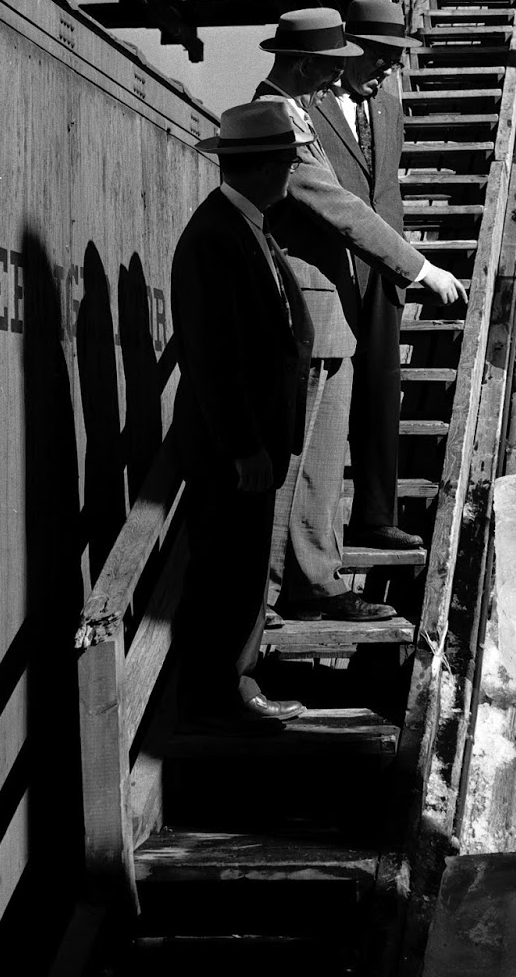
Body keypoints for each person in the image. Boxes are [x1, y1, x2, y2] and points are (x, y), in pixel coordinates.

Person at [253, 8, 466, 621]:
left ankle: (312, 580)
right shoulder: (275, 115)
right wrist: (421, 267)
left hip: (341, 294)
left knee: (317, 461)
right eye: (329, 64)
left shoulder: (292, 110)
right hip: (310, 302)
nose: (336, 74)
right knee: (294, 458)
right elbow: (331, 202)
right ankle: (269, 592)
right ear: (304, 64)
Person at [171, 100, 314, 729]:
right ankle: (218, 699)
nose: (290, 172)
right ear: (262, 167)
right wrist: (243, 446)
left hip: (252, 448)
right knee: (222, 577)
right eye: (284, 161)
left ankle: (229, 690)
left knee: (239, 572)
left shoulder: (244, 227)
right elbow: (212, 355)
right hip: (237, 453)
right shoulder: (214, 236)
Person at [306, 0, 426, 549]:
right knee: (332, 397)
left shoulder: (387, 101)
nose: (388, 69)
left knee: (382, 389)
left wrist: (398, 257)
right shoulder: (305, 102)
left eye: (394, 60)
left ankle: (376, 515)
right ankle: (320, 532)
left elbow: (386, 184)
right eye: (380, 57)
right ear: (350, 49)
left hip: (382, 267)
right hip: (330, 266)